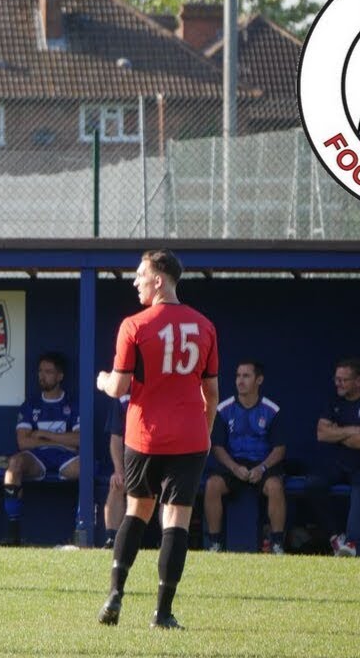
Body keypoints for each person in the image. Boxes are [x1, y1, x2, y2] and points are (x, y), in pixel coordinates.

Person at [96, 248, 218, 631]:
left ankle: (115, 594)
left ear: (159, 280)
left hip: (145, 436)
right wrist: (205, 433)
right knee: (176, 520)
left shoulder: (134, 325)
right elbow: (211, 393)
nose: (135, 281)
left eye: (140, 274)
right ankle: (162, 613)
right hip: (189, 438)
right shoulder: (205, 326)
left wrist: (102, 380)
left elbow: (119, 386)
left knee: (137, 511)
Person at [302, 357, 360, 557]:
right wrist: (353, 430)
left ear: (358, 381)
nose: (338, 384)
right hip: (339, 463)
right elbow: (322, 434)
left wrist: (338, 434)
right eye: (336, 379)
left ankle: (351, 543)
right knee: (313, 484)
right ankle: (336, 537)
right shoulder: (334, 401)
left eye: (344, 380)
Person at [204, 360, 286, 554]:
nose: (240, 381)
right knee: (212, 485)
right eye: (238, 376)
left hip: (262, 464)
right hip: (234, 464)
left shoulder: (271, 409)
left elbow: (280, 449)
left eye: (246, 376)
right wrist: (234, 468)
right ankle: (215, 544)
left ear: (259, 380)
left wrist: (262, 468)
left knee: (275, 486)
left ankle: (277, 544)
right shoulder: (224, 408)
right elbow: (217, 447)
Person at [0, 352, 80, 546]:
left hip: (66, 458)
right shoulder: (30, 405)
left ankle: (81, 530)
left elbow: (79, 440)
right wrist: (62, 441)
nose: (42, 376)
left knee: (86, 468)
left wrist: (43, 434)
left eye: (48, 372)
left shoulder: (73, 404)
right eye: (40, 371)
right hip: (37, 458)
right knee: (14, 465)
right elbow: (23, 442)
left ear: (60, 376)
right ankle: (13, 533)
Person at [102, 394, 128, 549]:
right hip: (133, 461)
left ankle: (168, 541)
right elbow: (116, 437)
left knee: (167, 489)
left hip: (159, 459)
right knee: (117, 483)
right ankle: (112, 540)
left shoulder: (161, 393)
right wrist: (119, 470)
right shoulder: (123, 397)